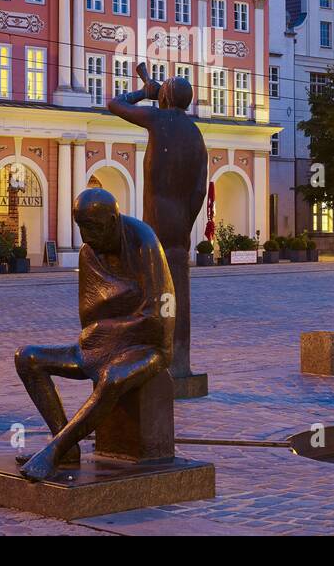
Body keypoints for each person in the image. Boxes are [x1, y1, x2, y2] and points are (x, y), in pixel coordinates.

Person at [14, 188, 173, 481]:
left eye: (93, 228)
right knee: (27, 358)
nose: (86, 238)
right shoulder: (90, 253)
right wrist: (108, 329)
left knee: (111, 379)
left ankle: (55, 449)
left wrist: (110, 329)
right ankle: (69, 446)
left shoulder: (146, 245)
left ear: (113, 221)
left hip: (147, 349)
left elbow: (161, 317)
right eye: (81, 228)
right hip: (99, 346)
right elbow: (89, 317)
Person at [107, 70, 207, 382]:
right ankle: (180, 362)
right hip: (180, 225)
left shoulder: (157, 119)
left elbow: (114, 103)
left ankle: (155, 360)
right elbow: (200, 190)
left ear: (163, 97)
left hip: (156, 220)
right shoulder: (195, 134)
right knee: (178, 294)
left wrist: (142, 91)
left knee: (153, 291)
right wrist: (188, 222)